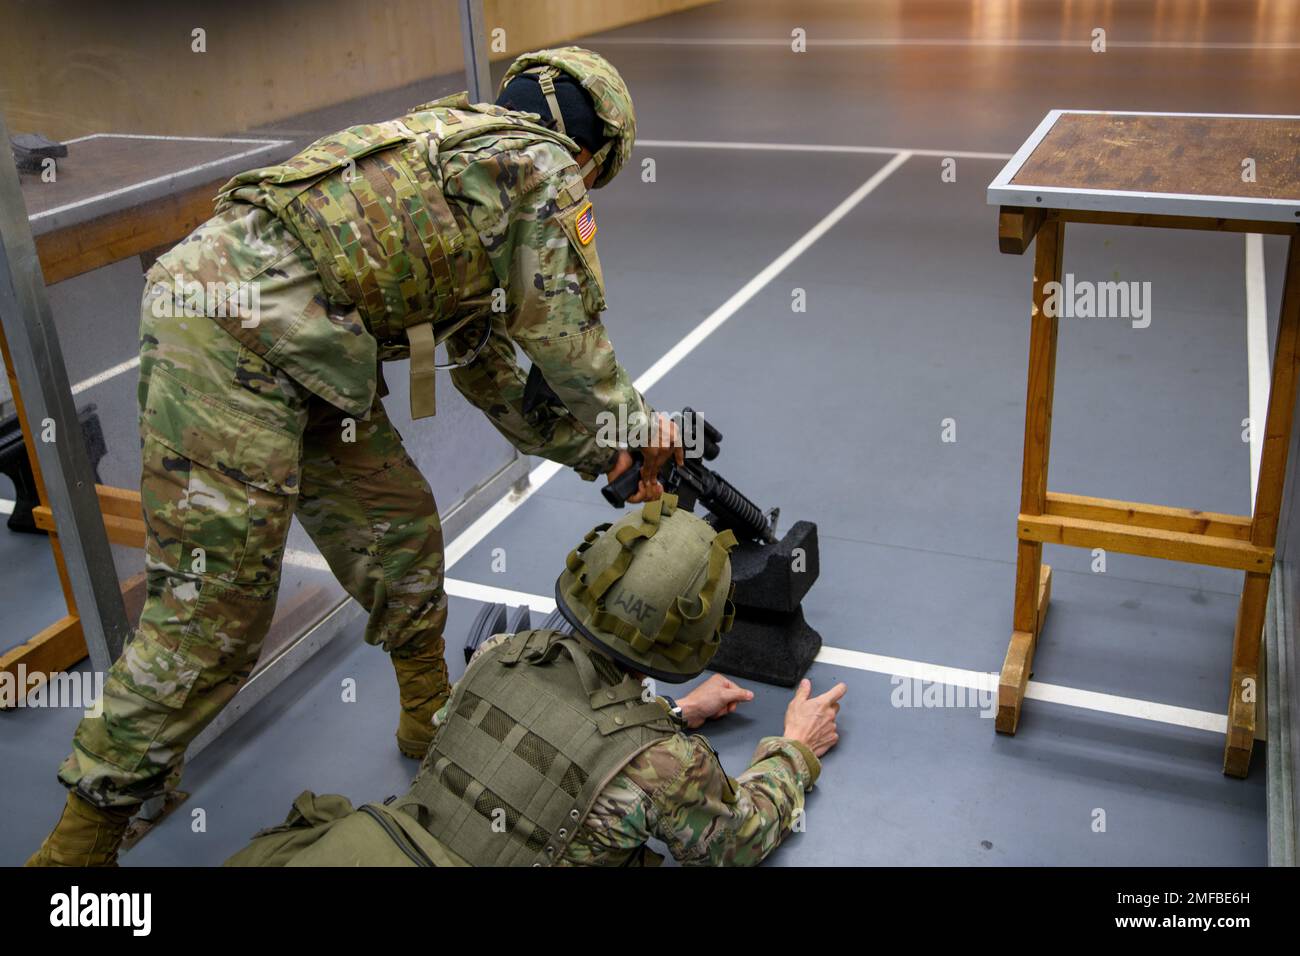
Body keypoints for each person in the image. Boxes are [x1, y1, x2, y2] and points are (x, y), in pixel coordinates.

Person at [28, 46, 681, 867]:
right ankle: (78, 849)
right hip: (227, 338)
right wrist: (640, 429)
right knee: (215, 616)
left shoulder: (465, 162)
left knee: (397, 529)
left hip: (309, 349)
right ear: (593, 152)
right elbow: (570, 344)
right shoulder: (538, 168)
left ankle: (428, 717)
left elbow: (497, 382)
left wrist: (600, 458)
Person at [225, 495, 847, 867]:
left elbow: (550, 737)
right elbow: (737, 841)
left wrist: (674, 716)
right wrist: (794, 748)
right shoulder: (668, 766)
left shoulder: (500, 654)